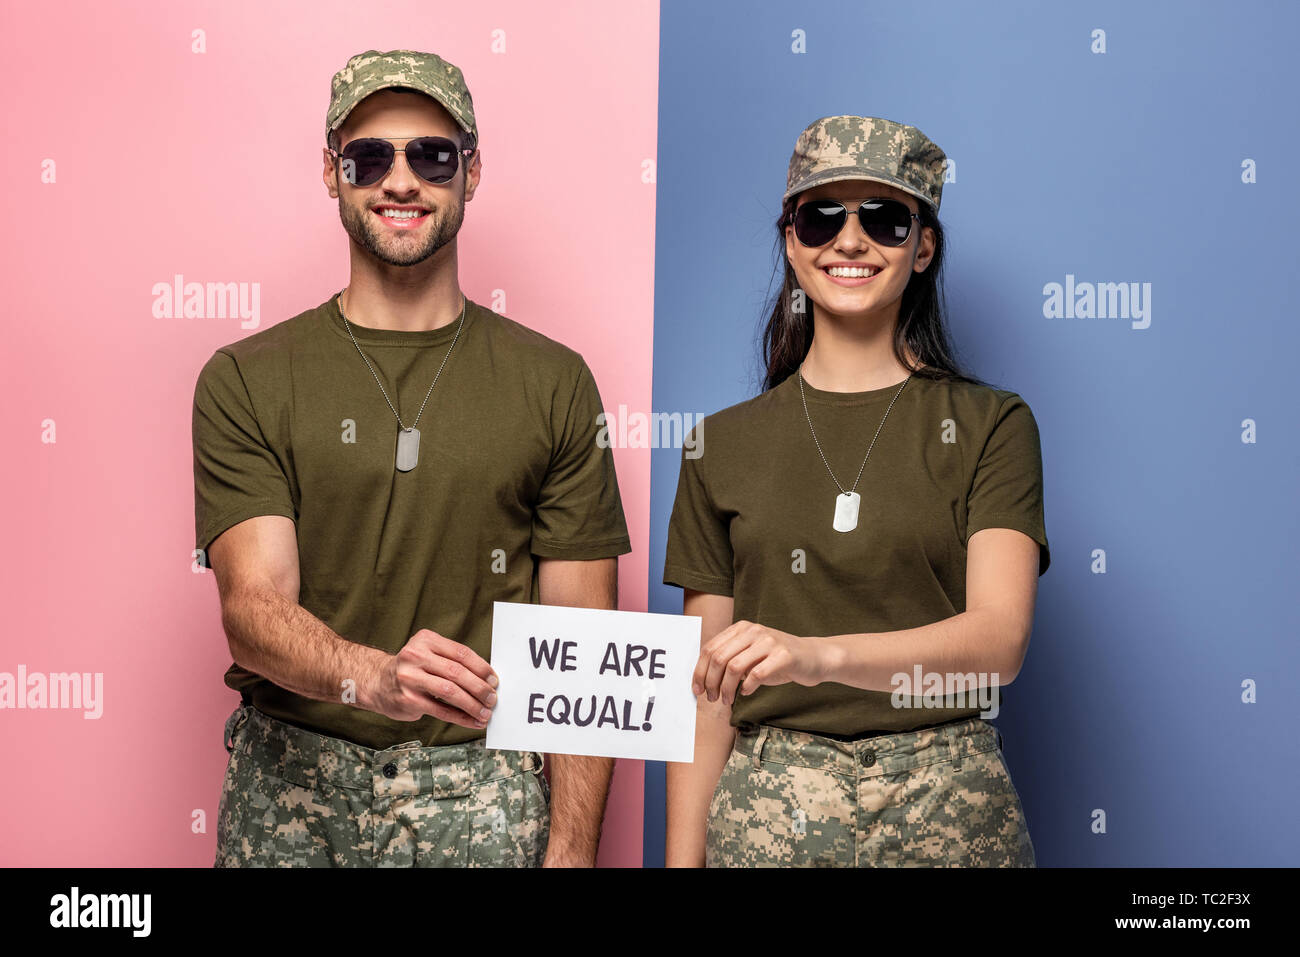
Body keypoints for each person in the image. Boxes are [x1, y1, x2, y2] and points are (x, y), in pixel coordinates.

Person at [192, 49, 631, 867]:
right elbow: (252, 610)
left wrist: (571, 855)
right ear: (332, 172)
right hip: (292, 796)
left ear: (470, 171)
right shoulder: (246, 377)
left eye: (431, 154)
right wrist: (374, 675)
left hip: (481, 799)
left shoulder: (555, 381)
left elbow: (581, 649)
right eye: (369, 157)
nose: (400, 181)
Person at [662, 115, 1050, 867]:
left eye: (883, 217)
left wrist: (814, 654)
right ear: (790, 241)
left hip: (949, 808)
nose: (849, 240)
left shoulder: (990, 424)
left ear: (923, 244)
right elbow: (707, 691)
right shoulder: (720, 443)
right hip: (770, 815)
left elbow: (998, 642)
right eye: (819, 217)